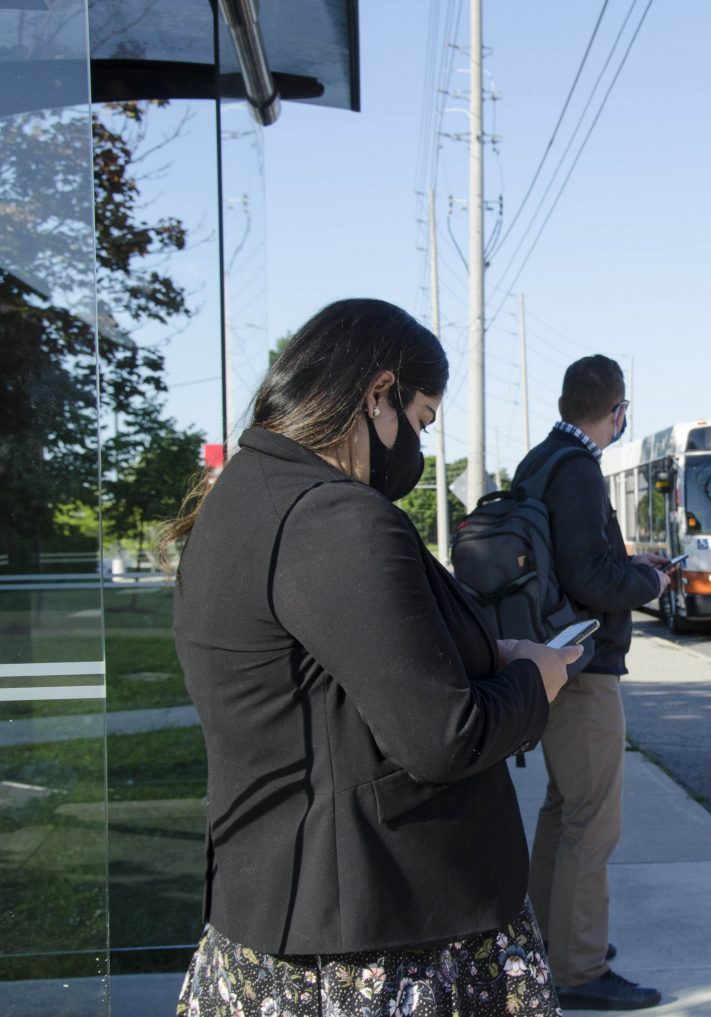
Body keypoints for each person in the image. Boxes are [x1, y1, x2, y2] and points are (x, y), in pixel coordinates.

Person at [163, 298, 581, 1017]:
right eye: (422, 418)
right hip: (384, 941)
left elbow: (330, 679)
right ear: (378, 393)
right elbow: (442, 737)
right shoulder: (335, 518)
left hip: (287, 916)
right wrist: (531, 681)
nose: (420, 445)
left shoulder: (243, 497)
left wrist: (485, 652)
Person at [515, 355, 671, 1011]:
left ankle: (546, 945)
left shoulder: (541, 461)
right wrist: (650, 582)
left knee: (564, 810)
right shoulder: (577, 469)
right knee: (592, 821)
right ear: (617, 410)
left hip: (551, 658)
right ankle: (578, 969)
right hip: (582, 666)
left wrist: (631, 562)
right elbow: (589, 578)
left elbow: (573, 561)